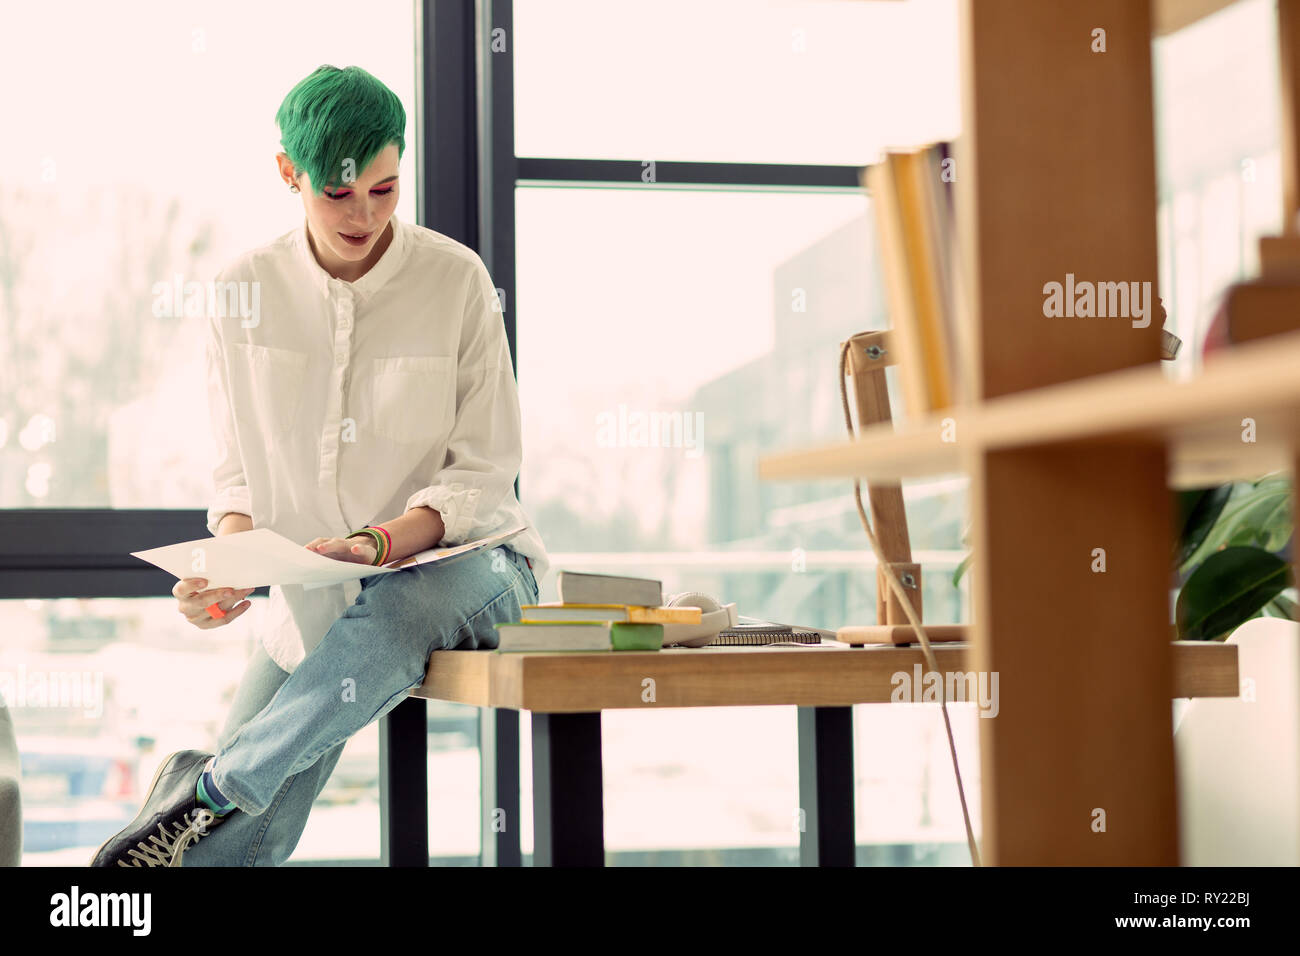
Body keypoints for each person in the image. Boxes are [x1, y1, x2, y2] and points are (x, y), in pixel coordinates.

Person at [91, 64, 548, 867]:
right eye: (339, 194)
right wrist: (231, 567)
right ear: (288, 174)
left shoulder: (456, 280)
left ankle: (213, 783)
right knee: (232, 848)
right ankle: (200, 821)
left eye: (385, 188)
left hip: (474, 571)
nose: (365, 214)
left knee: (403, 605)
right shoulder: (243, 292)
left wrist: (374, 546)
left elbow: (483, 479)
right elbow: (237, 477)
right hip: (320, 598)